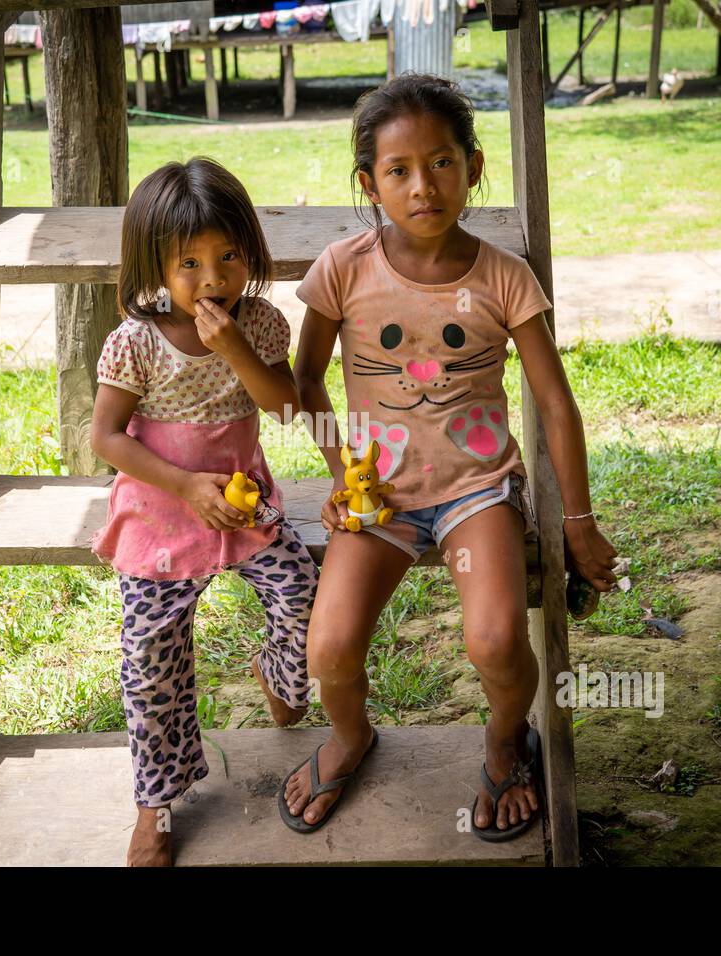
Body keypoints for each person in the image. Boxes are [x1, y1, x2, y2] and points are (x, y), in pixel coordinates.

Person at [282, 73, 619, 841]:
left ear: (473, 166)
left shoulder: (504, 277)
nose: (422, 185)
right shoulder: (343, 269)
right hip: (379, 501)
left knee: (497, 639)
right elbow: (304, 381)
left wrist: (577, 520)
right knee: (328, 648)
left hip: (476, 493)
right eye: (398, 170)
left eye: (441, 163)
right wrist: (343, 476)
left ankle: (507, 738)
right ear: (369, 183)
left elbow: (556, 404)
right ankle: (352, 736)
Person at [89, 158, 316, 865]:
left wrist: (236, 348)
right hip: (161, 516)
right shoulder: (136, 341)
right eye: (188, 263)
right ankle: (155, 805)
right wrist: (187, 486)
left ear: (251, 252)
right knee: (152, 661)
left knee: (305, 597)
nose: (212, 279)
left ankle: (278, 676)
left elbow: (284, 408)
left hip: (245, 510)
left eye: (228, 257)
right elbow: (105, 437)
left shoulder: (261, 323)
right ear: (154, 264)